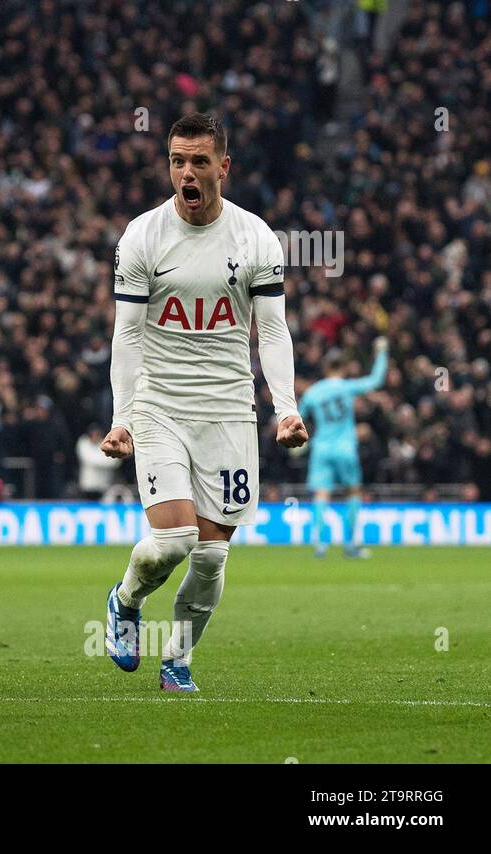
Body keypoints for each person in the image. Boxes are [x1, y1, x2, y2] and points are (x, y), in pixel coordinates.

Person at [100, 113, 308, 693]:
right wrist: (122, 420)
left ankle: (177, 661)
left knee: (212, 557)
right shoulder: (142, 236)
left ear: (224, 166)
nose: (185, 172)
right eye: (176, 161)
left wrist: (285, 407)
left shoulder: (256, 238)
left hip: (229, 412)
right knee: (174, 539)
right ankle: (125, 599)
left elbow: (271, 331)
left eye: (197, 161)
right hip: (160, 405)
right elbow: (129, 335)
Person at [300, 337, 389, 558]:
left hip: (321, 447)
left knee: (321, 494)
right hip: (345, 447)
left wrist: (297, 443)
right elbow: (376, 380)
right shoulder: (348, 387)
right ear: (342, 368)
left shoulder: (313, 392)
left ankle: (320, 545)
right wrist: (382, 353)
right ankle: (350, 545)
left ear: (325, 368)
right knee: (353, 491)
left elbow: (299, 418)